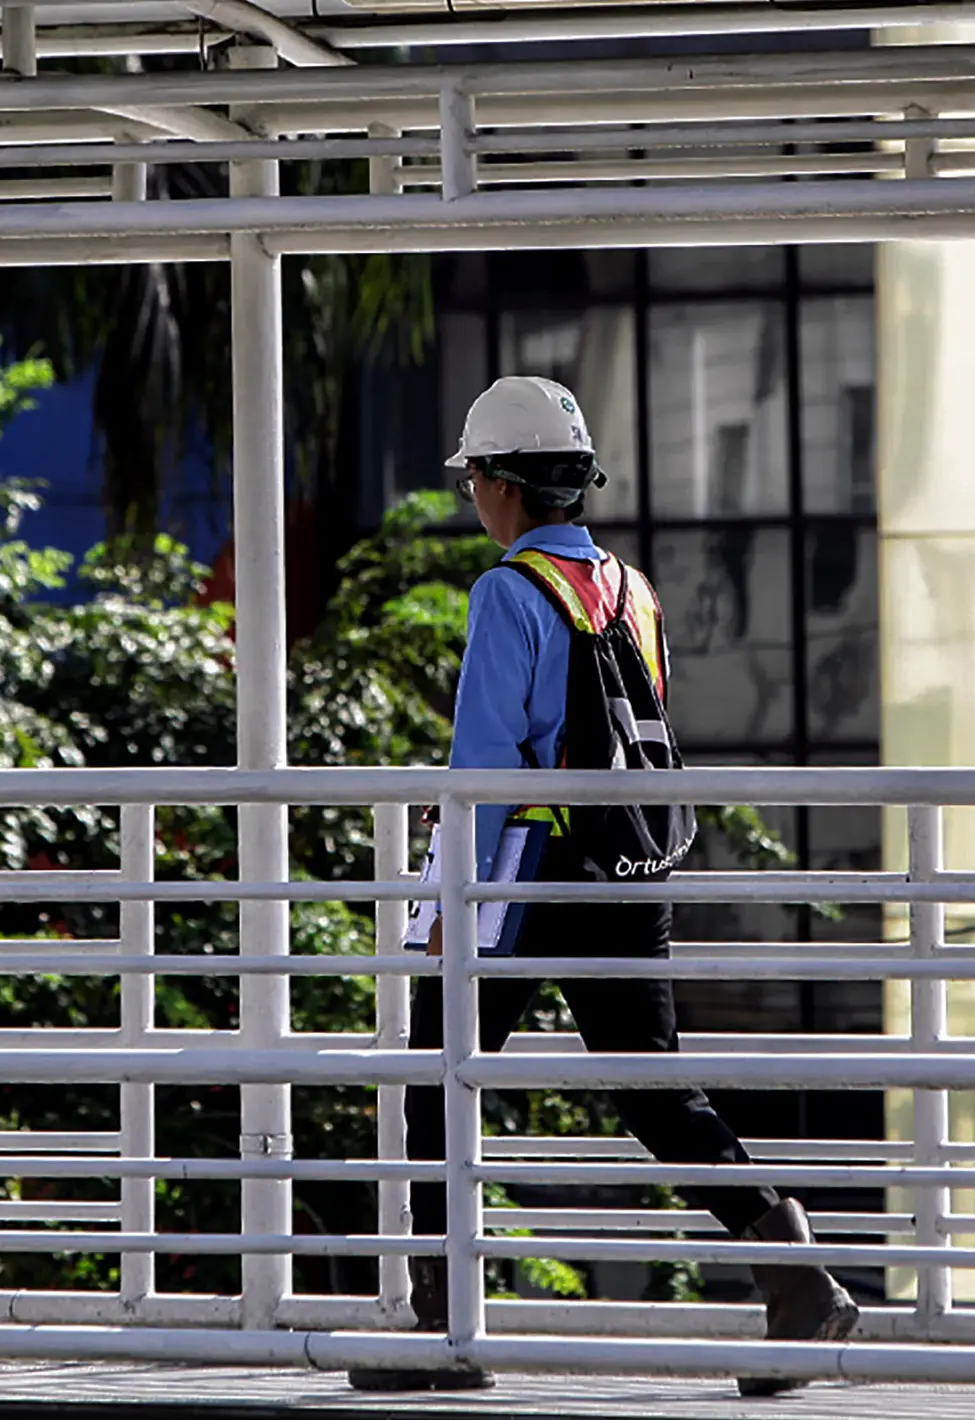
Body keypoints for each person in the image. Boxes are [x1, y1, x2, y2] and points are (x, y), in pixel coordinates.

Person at [347, 376, 859, 1397]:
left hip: (528, 874)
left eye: (472, 481)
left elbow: (485, 769)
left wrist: (451, 903)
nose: (472, 500)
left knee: (433, 1078)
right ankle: (789, 1262)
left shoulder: (506, 592)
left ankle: (446, 1325)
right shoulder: (634, 590)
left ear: (500, 484)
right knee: (649, 1080)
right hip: (628, 866)